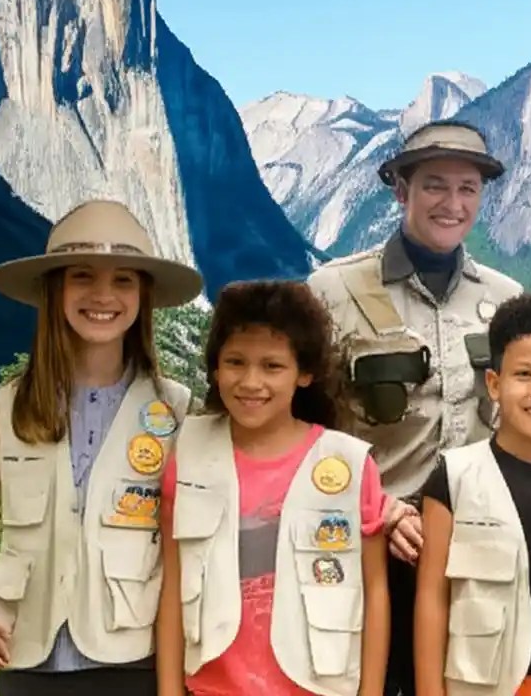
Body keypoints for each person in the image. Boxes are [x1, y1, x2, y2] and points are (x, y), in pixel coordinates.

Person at [0, 200, 203, 696]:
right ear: (55, 289)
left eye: (124, 279)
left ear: (144, 295)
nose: (103, 295)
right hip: (24, 659)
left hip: (134, 660)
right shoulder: (2, 411)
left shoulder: (181, 412)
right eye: (83, 276)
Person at [306, 118, 522, 695]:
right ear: (400, 189)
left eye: (468, 188)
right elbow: (303, 431)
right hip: (375, 549)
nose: (452, 203)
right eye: (434, 185)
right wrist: (379, 510)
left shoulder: (505, 301)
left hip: (480, 546)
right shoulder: (332, 291)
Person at [155, 280, 390, 696]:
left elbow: (374, 592)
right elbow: (172, 586)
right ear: (214, 367)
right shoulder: (188, 454)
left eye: (272, 366)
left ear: (305, 373)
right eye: (235, 362)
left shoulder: (348, 466)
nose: (250, 381)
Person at [414, 293, 531, 696]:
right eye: (524, 375)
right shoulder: (454, 477)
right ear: (494, 383)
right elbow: (432, 599)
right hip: (477, 685)